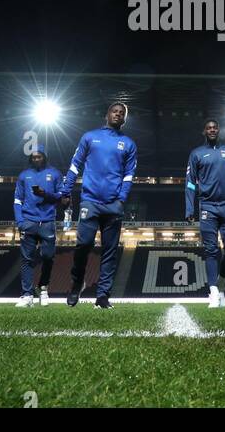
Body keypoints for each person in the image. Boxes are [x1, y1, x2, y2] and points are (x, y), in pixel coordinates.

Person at [58, 102, 137, 309]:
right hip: (90, 201)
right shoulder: (89, 137)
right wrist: (66, 191)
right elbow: (75, 165)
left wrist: (121, 199)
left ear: (124, 119)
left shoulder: (128, 143)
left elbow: (129, 175)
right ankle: (77, 281)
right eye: (114, 111)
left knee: (110, 251)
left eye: (122, 113)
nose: (118, 115)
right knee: (83, 245)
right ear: (107, 114)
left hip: (114, 205)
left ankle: (102, 296)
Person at [185, 119, 225, 308]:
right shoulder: (196, 154)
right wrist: (189, 209)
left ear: (218, 131)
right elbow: (190, 183)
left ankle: (221, 284)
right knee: (211, 250)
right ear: (204, 131)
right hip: (207, 207)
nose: (212, 130)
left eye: (215, 128)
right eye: (208, 128)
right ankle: (213, 291)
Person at [14, 144, 60, 307]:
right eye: (33, 157)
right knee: (27, 259)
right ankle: (27, 295)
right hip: (28, 222)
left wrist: (44, 194)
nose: (36, 159)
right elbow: (17, 200)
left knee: (48, 257)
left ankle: (43, 288)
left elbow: (60, 197)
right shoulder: (24, 175)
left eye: (39, 156)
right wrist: (20, 221)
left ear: (44, 156)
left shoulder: (54, 174)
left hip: (47, 222)